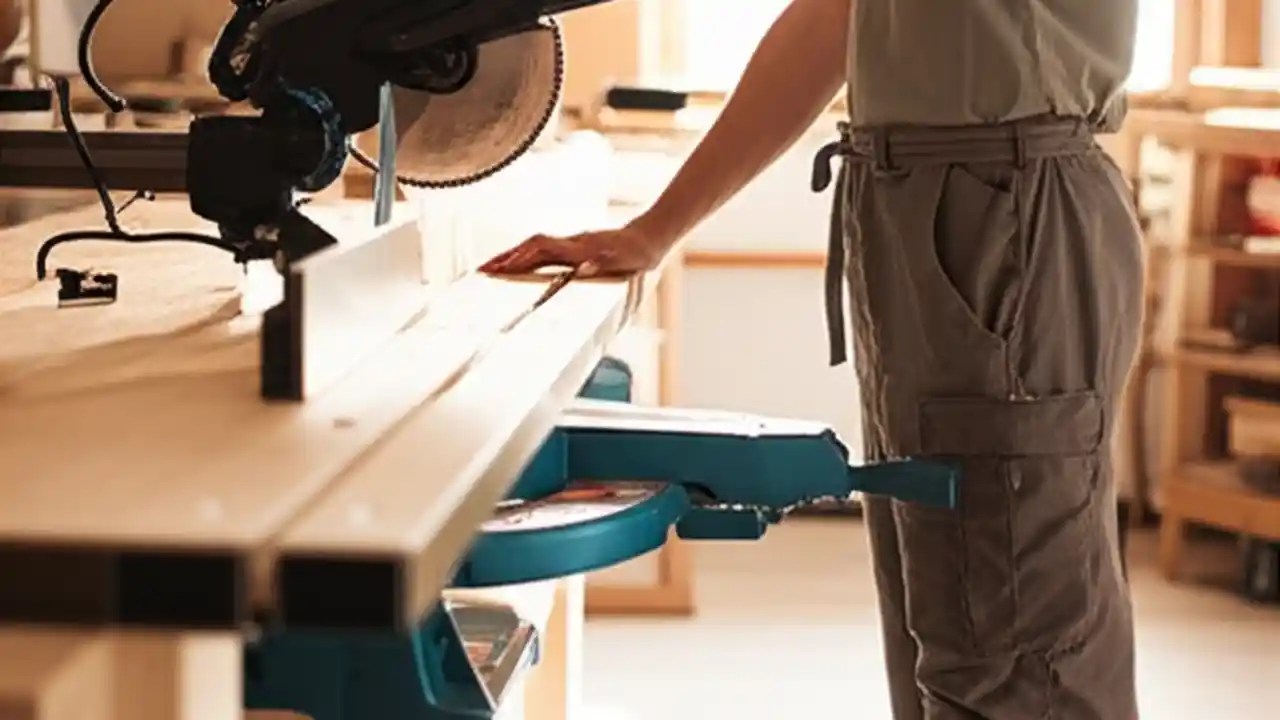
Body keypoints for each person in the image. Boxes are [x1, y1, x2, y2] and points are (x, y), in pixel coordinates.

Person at [482, 1, 1142, 717]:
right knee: (944, 628)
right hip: (912, 198)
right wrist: (655, 229)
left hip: (1002, 201)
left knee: (1010, 649)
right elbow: (833, 18)